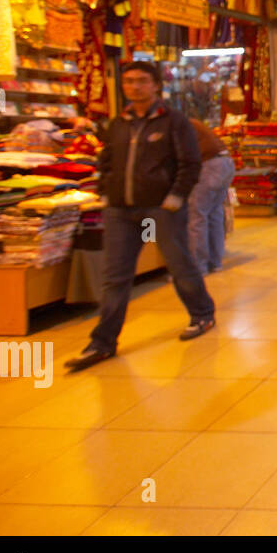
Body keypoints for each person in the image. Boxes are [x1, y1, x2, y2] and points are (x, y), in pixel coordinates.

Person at [65, 61, 217, 372]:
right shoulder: (117, 124)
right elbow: (105, 161)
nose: (135, 87)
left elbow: (190, 163)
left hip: (160, 208)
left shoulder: (174, 122)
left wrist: (174, 198)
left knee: (179, 263)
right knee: (115, 276)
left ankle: (202, 313)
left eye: (142, 81)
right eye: (129, 81)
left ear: (156, 85)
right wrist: (106, 193)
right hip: (121, 210)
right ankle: (102, 342)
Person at [187, 117, 235, 275]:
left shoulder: (176, 125)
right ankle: (215, 262)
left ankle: (198, 267)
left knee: (197, 215)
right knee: (214, 213)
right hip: (225, 163)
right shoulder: (193, 123)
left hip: (209, 166)